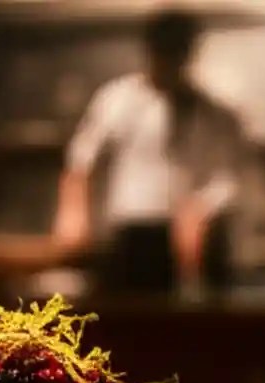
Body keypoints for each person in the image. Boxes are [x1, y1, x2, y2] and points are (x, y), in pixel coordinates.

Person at [53, 10, 245, 297]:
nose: (170, 62)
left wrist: (201, 209)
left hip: (194, 238)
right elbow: (81, 162)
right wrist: (73, 216)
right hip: (132, 236)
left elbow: (229, 177)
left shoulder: (215, 113)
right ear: (150, 51)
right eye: (164, 53)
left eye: (178, 53)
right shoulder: (118, 99)